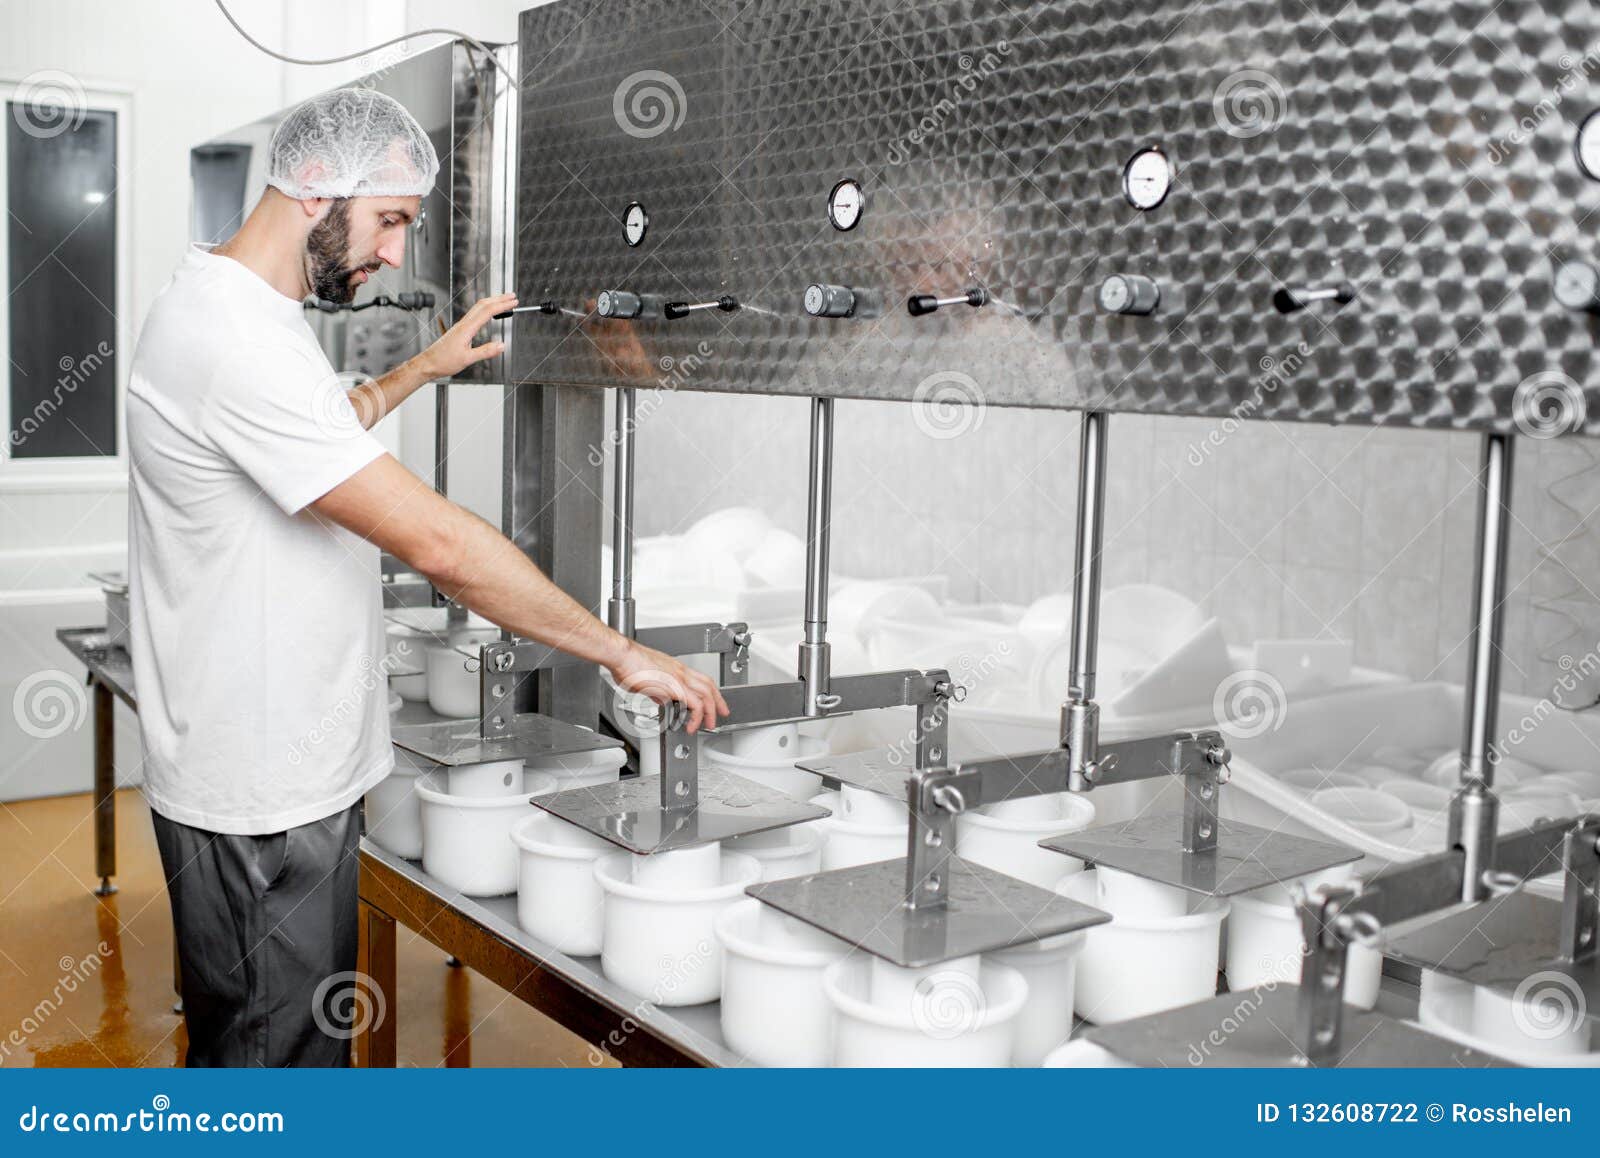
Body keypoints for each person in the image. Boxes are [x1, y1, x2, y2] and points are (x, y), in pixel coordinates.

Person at [125, 88, 726, 1067]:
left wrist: (422, 368)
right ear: (318, 186)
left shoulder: (234, 313)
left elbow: (317, 428)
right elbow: (443, 548)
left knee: (251, 1047)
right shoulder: (234, 340)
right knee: (281, 1068)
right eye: (392, 220)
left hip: (268, 771)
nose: (397, 254)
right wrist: (620, 652)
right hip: (261, 795)